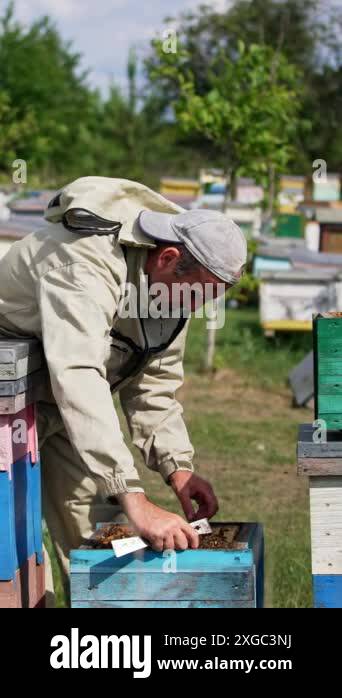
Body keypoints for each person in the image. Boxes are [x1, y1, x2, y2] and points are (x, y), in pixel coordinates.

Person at [0, 177, 247, 588]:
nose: (196, 309)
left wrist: (177, 467)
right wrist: (133, 495)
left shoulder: (172, 287)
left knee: (101, 541)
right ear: (167, 257)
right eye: (196, 296)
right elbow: (78, 373)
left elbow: (154, 383)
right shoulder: (85, 261)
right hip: (10, 408)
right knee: (19, 559)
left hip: (60, 409)